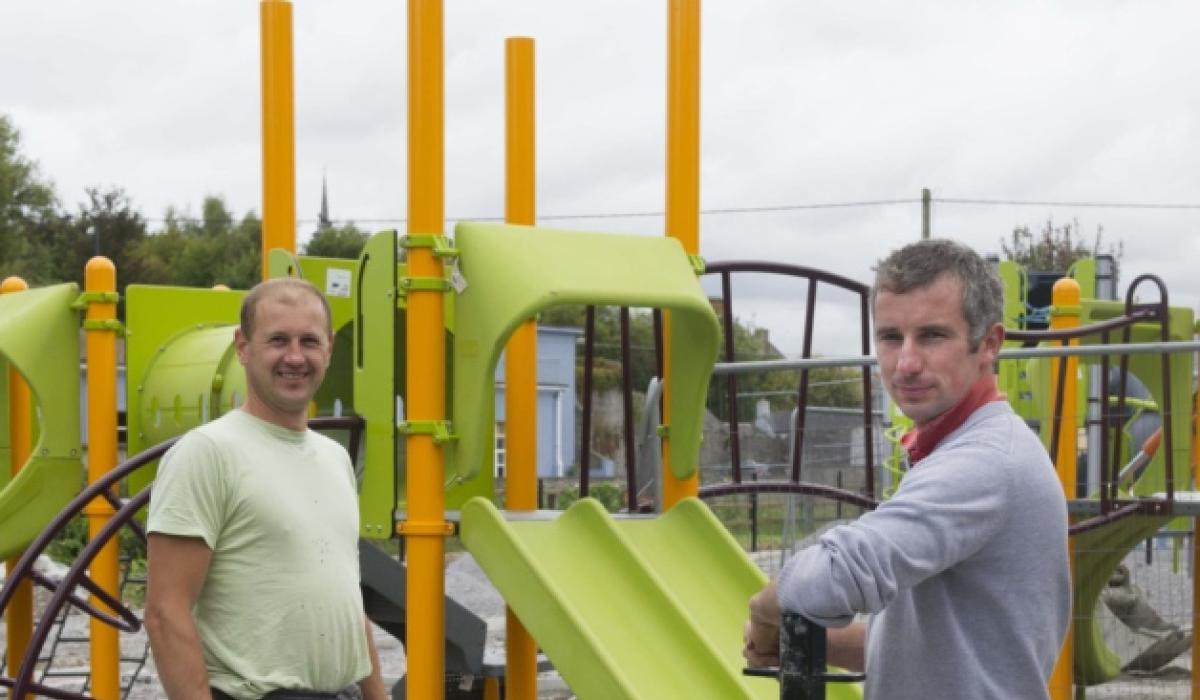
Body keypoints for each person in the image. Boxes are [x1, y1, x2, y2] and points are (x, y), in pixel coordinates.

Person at [744, 239, 1070, 699]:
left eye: (933, 336)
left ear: (989, 344)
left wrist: (765, 611)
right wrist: (810, 643)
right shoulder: (957, 449)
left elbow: (836, 576)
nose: (907, 363)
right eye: (891, 337)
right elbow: (933, 650)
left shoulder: (984, 463)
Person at [145, 278, 386, 700]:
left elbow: (346, 601)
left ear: (328, 348)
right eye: (278, 340)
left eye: (309, 341)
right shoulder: (207, 453)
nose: (295, 357)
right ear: (243, 347)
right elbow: (166, 614)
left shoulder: (335, 459)